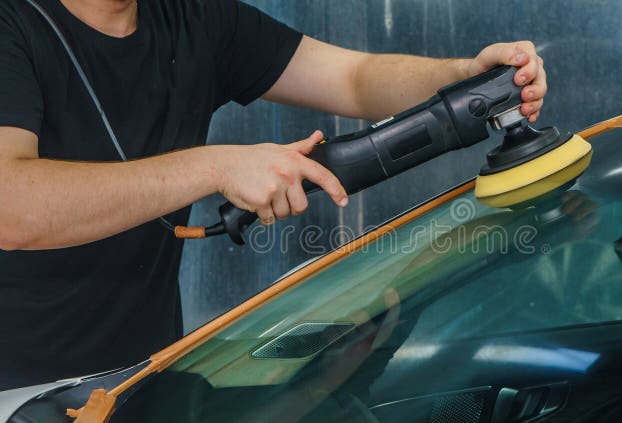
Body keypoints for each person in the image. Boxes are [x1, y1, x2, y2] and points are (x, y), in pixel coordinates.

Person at [0, 0, 547, 390]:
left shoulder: (194, 19)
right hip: (16, 396)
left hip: (137, 387)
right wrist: (215, 166)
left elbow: (354, 77)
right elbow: (11, 208)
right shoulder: (13, 25)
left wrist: (466, 76)